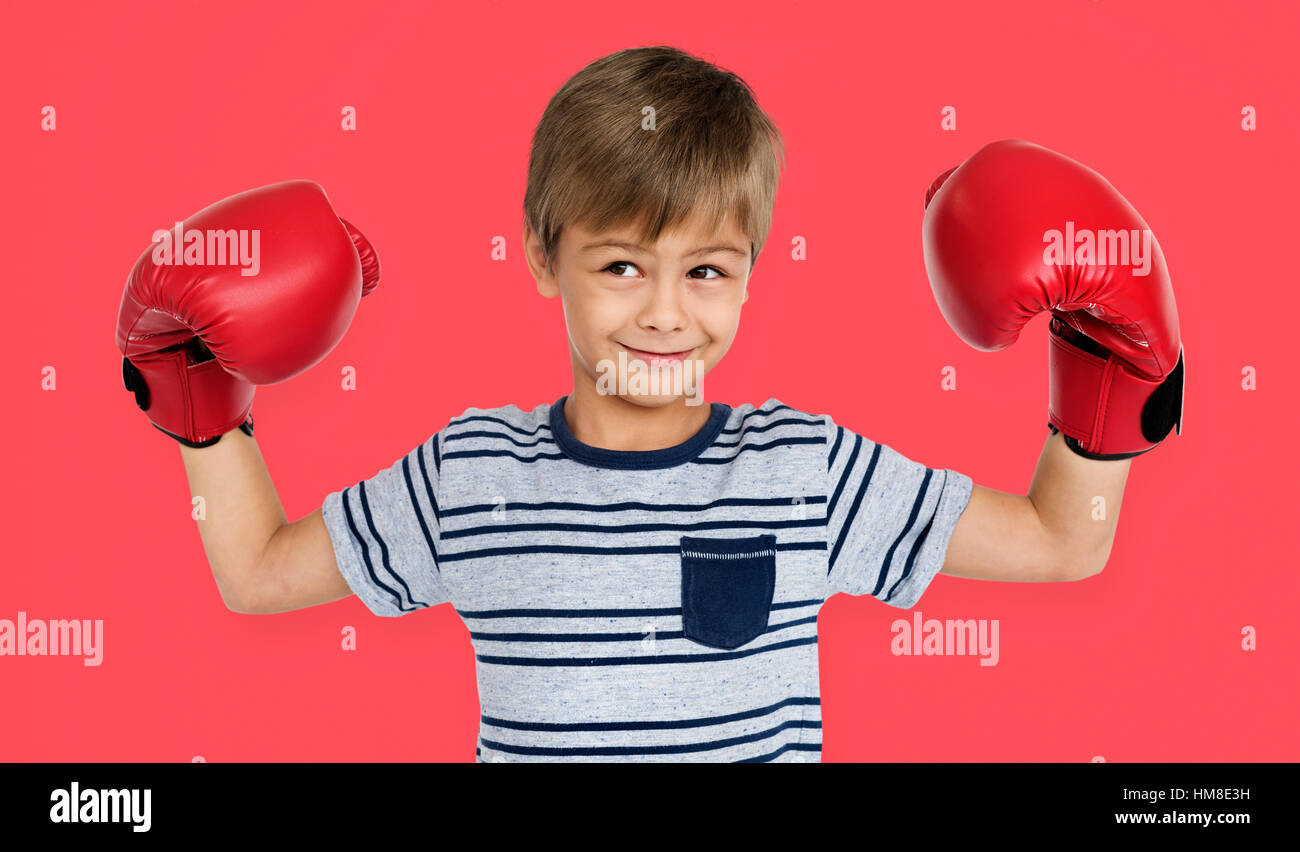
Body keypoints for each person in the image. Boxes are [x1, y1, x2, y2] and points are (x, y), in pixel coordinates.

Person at [127, 46, 1182, 762]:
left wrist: (1110, 375)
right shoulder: (472, 473)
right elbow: (258, 574)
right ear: (545, 259)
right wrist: (197, 399)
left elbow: (1059, 544)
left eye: (708, 272)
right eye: (622, 267)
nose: (667, 315)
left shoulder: (804, 472)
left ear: (753, 272)